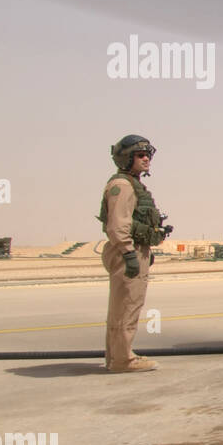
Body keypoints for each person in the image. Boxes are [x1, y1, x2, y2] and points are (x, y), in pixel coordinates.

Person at [98, 134, 169, 372]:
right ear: (126, 158)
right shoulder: (122, 185)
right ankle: (123, 360)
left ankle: (117, 357)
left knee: (123, 306)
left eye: (148, 154)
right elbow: (118, 225)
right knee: (127, 306)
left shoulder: (130, 183)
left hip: (134, 249)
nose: (146, 159)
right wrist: (129, 252)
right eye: (140, 155)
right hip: (126, 250)